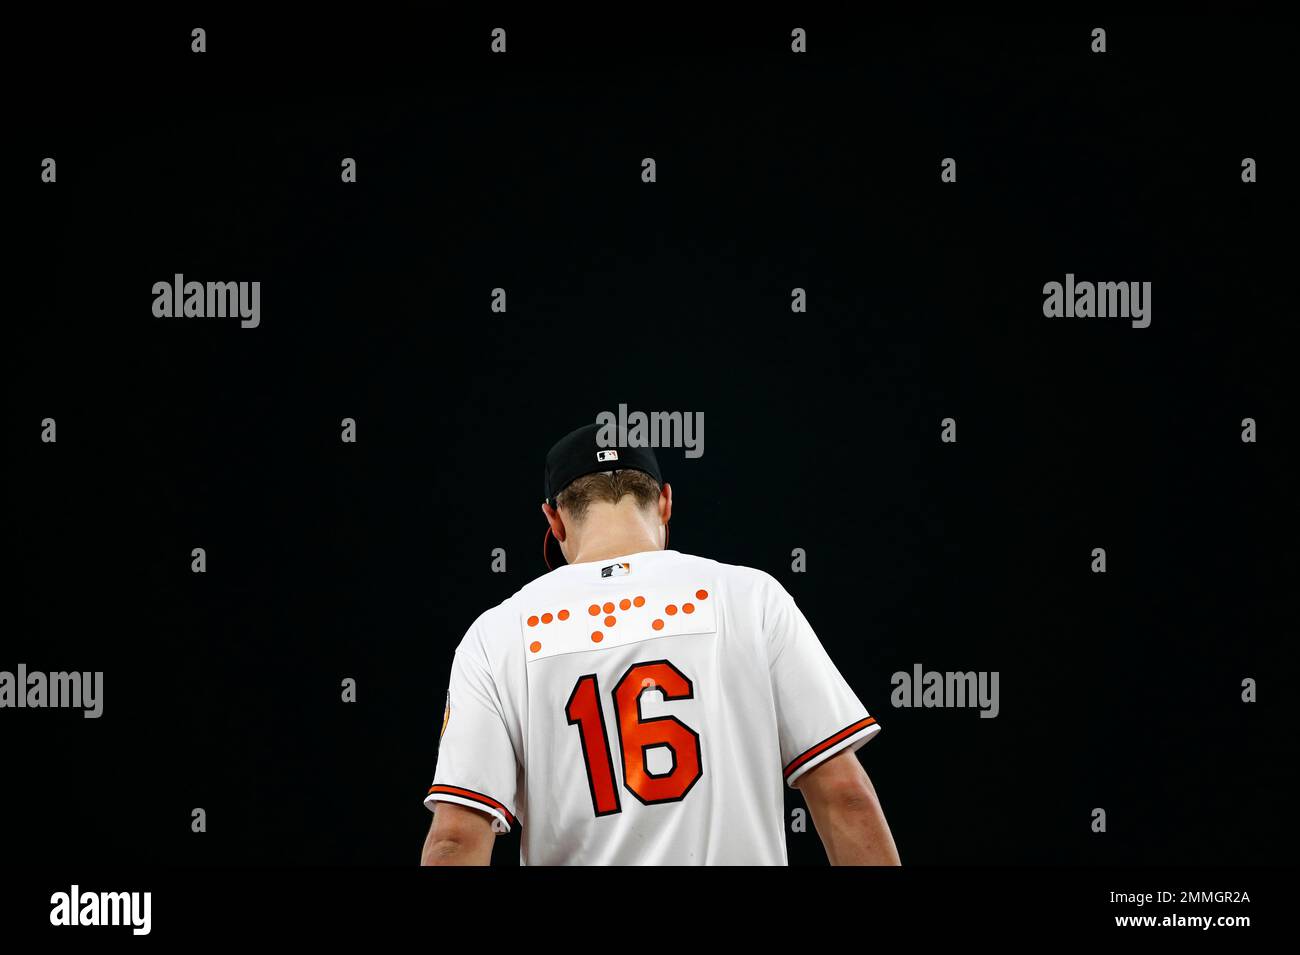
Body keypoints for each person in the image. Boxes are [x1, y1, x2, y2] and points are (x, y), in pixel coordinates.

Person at [420, 423, 899, 865]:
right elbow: (844, 795)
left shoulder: (497, 633)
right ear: (666, 502)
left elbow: (455, 837)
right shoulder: (750, 597)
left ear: (555, 520)